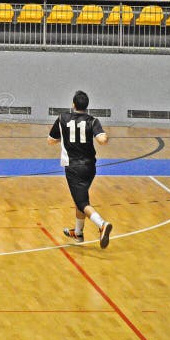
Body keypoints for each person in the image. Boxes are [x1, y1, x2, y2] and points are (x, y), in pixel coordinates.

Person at [47, 90, 113, 249]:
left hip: (73, 167)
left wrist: (63, 138)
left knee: (82, 202)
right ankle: (78, 232)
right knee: (80, 198)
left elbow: (50, 141)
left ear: (73, 104)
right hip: (90, 167)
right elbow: (102, 140)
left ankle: (102, 224)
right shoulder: (93, 120)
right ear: (87, 106)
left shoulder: (62, 118)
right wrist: (105, 137)